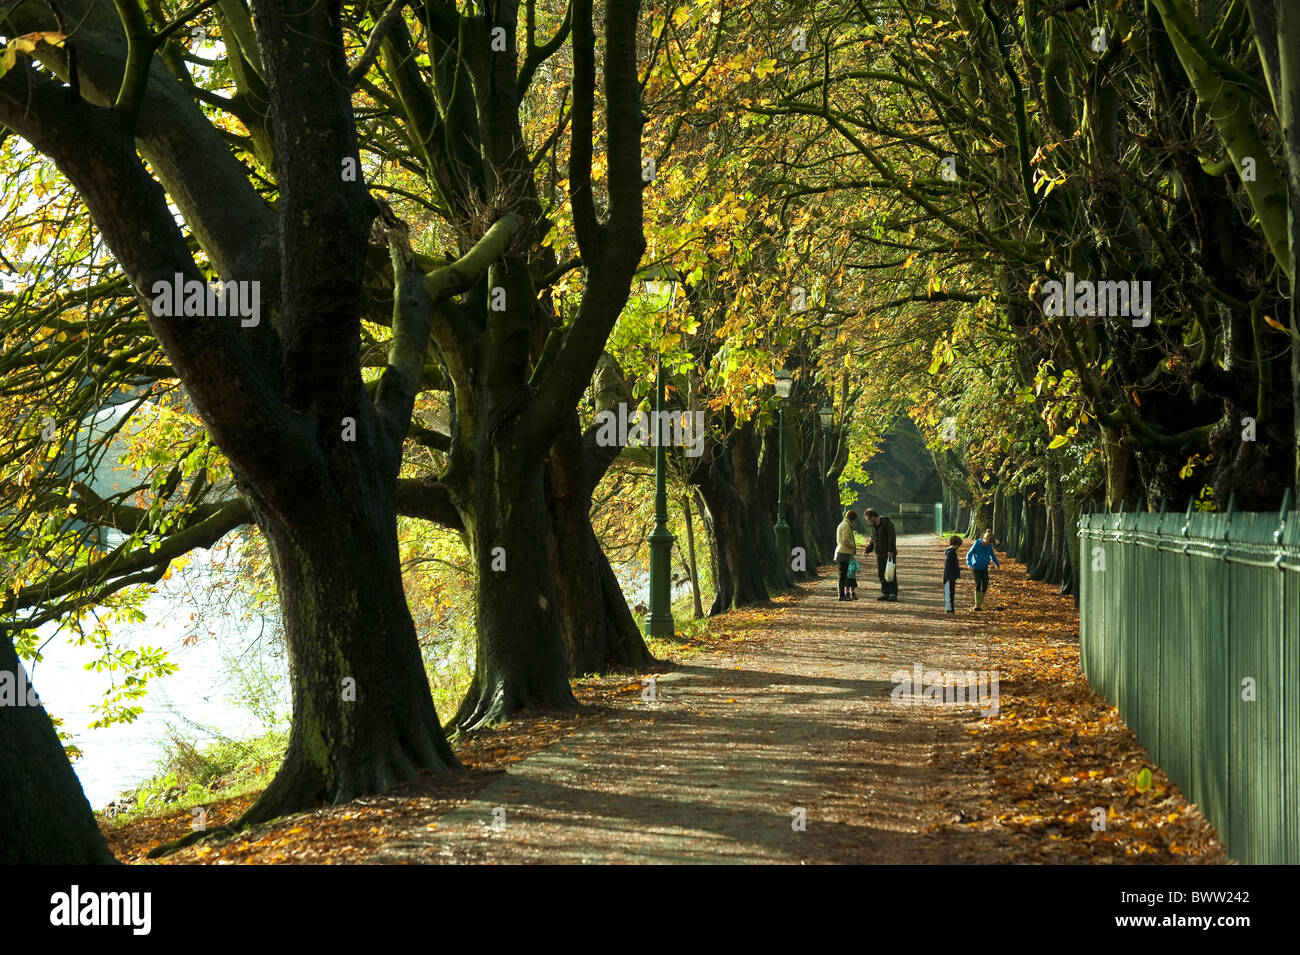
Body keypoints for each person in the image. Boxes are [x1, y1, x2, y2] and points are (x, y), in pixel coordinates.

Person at [862, 508, 898, 601]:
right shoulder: (874, 527)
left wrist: (891, 550)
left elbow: (891, 537)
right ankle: (885, 593)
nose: (868, 521)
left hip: (888, 553)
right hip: (879, 554)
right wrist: (868, 550)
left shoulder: (887, 524)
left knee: (890, 574)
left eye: (868, 519)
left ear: (873, 517)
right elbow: (873, 540)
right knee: (881, 574)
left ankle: (893, 593)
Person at [965, 529, 1000, 610]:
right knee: (978, 584)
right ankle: (976, 605)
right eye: (987, 542)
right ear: (984, 538)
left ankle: (979, 605)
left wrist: (996, 564)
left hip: (984, 568)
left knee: (985, 585)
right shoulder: (977, 544)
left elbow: (992, 555)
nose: (987, 544)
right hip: (976, 568)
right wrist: (969, 564)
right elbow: (969, 554)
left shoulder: (989, 546)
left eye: (989, 543)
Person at [835, 510, 858, 601]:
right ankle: (841, 595)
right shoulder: (846, 526)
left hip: (842, 552)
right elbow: (846, 539)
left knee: (843, 575)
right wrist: (852, 546)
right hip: (844, 553)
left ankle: (842, 595)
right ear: (852, 518)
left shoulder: (843, 524)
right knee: (843, 576)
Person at [942, 535, 962, 613]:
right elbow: (949, 565)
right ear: (956, 544)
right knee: (949, 593)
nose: (958, 548)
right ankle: (949, 608)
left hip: (951, 576)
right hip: (949, 576)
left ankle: (951, 607)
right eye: (958, 546)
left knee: (951, 592)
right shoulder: (951, 552)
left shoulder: (951, 552)